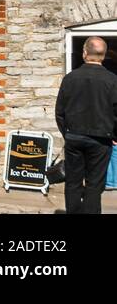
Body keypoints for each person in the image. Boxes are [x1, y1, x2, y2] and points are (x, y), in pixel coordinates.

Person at [55, 36, 117, 214]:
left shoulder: (70, 78)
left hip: (75, 137)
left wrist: (67, 134)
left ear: (84, 53)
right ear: (104, 56)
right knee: (94, 185)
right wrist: (115, 135)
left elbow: (60, 112)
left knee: (73, 182)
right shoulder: (113, 80)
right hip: (101, 140)